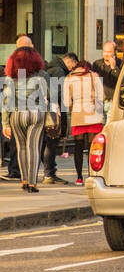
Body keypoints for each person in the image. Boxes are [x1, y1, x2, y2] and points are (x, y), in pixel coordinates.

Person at [2, 36, 52, 193]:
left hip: (16, 114)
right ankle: (32, 182)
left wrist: (5, 123)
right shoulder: (41, 75)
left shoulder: (11, 77)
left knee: (21, 147)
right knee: (33, 148)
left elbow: (7, 101)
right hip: (35, 113)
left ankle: (24, 180)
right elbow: (49, 96)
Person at [61, 54, 104, 186]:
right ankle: (93, 174)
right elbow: (101, 96)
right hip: (93, 114)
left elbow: (67, 102)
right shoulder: (94, 76)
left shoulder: (69, 78)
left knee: (78, 147)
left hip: (78, 114)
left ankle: (79, 177)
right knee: (94, 147)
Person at [41, 53, 77, 185]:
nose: (72, 69)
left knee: (47, 142)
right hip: (54, 111)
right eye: (73, 65)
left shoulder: (50, 68)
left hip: (47, 110)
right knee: (52, 142)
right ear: (69, 61)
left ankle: (48, 171)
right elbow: (59, 94)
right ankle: (49, 173)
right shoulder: (59, 71)